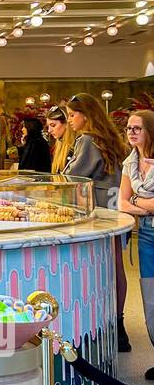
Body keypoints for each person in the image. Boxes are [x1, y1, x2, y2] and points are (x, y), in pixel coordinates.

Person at [66, 93, 129, 352]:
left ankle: (107, 326)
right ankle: (119, 325)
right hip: (114, 207)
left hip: (99, 208)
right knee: (116, 264)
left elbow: (73, 176)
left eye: (72, 115)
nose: (69, 120)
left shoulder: (88, 140)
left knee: (104, 266)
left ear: (86, 115)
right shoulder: (109, 138)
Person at [118, 108, 154, 380]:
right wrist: (146, 205)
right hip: (146, 235)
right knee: (150, 298)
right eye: (129, 127)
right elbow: (121, 203)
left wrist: (136, 203)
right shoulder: (129, 162)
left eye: (137, 128)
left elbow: (132, 202)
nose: (131, 132)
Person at [46, 105, 74, 174]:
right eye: (48, 126)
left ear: (66, 124)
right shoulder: (57, 146)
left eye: (53, 125)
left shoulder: (76, 147)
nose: (49, 130)